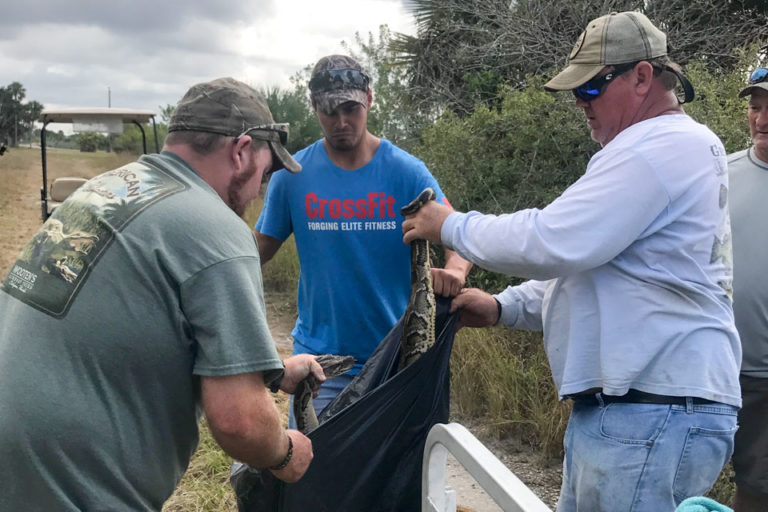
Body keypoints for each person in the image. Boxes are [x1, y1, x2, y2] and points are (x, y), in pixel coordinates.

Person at [402, 11, 741, 512]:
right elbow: (588, 269)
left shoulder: (658, 148)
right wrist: (501, 307)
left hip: (650, 411)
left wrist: (449, 225)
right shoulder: (658, 149)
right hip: (640, 410)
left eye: (591, 87)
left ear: (641, 77)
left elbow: (552, 240)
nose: (581, 102)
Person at [0, 77, 328, 510]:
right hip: (65, 485)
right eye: (266, 174)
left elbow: (126, 333)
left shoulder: (107, 189)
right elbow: (239, 422)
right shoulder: (218, 230)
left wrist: (270, 371)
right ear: (242, 151)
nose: (257, 192)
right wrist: (285, 452)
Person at [254, 55, 471, 419]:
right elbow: (257, 250)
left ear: (369, 99)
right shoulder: (292, 176)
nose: (341, 121)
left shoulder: (406, 172)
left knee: (396, 456)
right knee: (315, 455)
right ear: (313, 106)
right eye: (329, 110)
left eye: (351, 108)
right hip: (320, 366)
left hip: (395, 359)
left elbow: (459, 233)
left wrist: (456, 270)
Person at [727, 69, 768, 512]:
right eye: (756, 107)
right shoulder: (720, 175)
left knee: (758, 491)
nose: (762, 119)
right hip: (711, 366)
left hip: (765, 377)